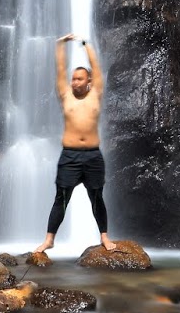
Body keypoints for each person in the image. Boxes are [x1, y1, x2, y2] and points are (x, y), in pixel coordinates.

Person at [33, 34, 117, 256]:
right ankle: (49, 239)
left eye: (79, 79)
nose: (74, 82)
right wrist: (61, 44)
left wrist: (86, 44)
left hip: (92, 156)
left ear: (88, 81)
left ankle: (104, 237)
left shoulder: (96, 94)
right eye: (73, 79)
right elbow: (60, 68)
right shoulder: (65, 95)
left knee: (97, 197)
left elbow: (96, 68)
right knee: (61, 198)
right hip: (69, 156)